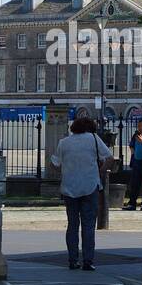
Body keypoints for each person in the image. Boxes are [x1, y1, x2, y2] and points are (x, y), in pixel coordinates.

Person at [50, 116, 112, 270]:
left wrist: (66, 171)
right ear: (90, 127)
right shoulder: (93, 138)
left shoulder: (64, 142)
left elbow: (54, 164)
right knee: (88, 225)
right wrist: (100, 171)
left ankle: (72, 260)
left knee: (72, 225)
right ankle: (88, 261)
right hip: (90, 186)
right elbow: (109, 158)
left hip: (69, 187)